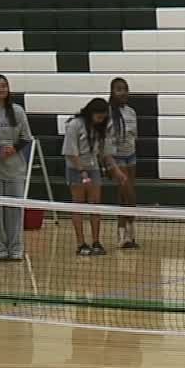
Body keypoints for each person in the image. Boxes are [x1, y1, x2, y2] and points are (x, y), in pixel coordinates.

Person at [0, 73, 33, 262]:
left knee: (14, 210)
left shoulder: (17, 111)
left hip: (15, 169)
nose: (1, 89)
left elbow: (26, 137)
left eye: (4, 85)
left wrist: (13, 149)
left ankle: (15, 250)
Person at [63, 98, 125, 257]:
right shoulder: (75, 124)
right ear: (91, 113)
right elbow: (71, 152)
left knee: (95, 205)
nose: (101, 120)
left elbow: (106, 153)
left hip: (93, 168)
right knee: (78, 205)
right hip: (76, 168)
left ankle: (96, 241)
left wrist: (116, 171)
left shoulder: (103, 127)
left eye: (103, 117)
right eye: (98, 116)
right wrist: (82, 172)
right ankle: (81, 243)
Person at [107, 77, 140, 249]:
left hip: (131, 156)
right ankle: (126, 233)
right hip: (115, 158)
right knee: (128, 194)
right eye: (119, 89)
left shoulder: (132, 112)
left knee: (125, 196)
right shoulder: (107, 113)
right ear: (112, 92)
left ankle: (127, 235)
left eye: (125, 89)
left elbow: (134, 135)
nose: (123, 92)